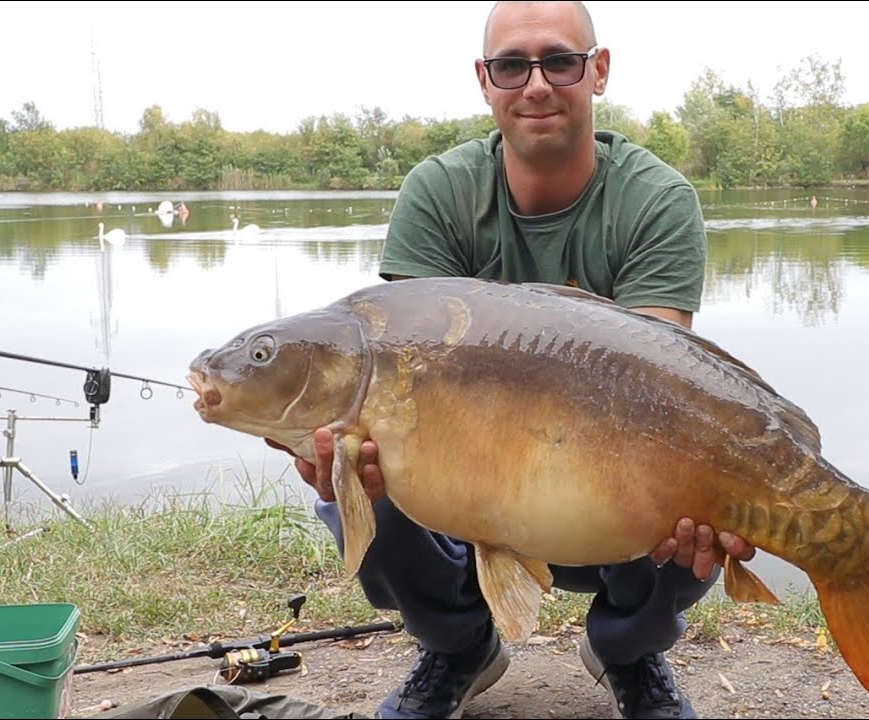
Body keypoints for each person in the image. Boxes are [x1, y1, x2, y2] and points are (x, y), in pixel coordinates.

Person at [268, 2, 757, 718]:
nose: (535, 85)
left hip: (599, 485)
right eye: (511, 65)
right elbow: (409, 382)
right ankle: (459, 645)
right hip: (467, 482)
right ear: (484, 79)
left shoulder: (656, 200)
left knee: (688, 486)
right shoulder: (439, 193)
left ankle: (627, 650)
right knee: (363, 469)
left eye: (559, 61)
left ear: (599, 71)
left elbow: (656, 392)